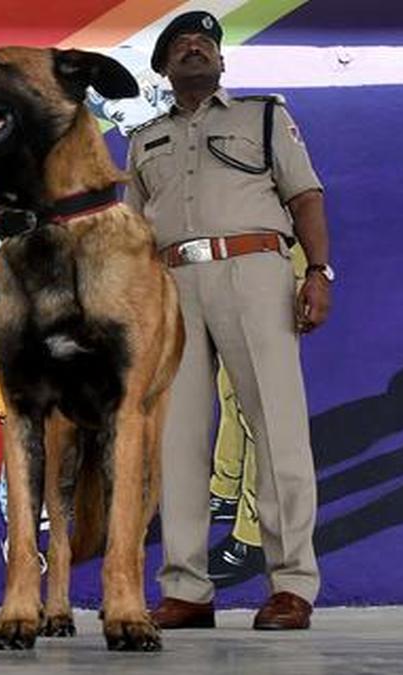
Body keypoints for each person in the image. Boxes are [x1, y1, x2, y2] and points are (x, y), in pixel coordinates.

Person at [124, 11, 334, 630]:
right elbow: (132, 232)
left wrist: (318, 271)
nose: (194, 49)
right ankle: (186, 590)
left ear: (220, 60)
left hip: (254, 272)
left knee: (277, 425)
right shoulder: (143, 139)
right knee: (178, 440)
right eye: (180, 45)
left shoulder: (263, 116)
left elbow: (305, 196)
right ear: (163, 68)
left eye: (205, 43)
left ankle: (291, 584)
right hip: (169, 283)